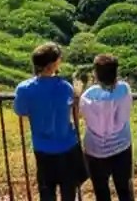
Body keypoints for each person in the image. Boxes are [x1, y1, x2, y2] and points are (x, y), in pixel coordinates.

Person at [14, 43, 86, 201]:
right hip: (67, 146)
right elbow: (76, 115)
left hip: (42, 147)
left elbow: (21, 111)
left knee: (47, 191)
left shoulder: (24, 89)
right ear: (53, 64)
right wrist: (77, 97)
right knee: (69, 191)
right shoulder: (65, 87)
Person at [79, 54, 134, 201]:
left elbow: (85, 117)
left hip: (96, 150)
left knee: (101, 191)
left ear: (95, 74)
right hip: (121, 146)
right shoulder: (124, 89)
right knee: (125, 190)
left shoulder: (87, 96)